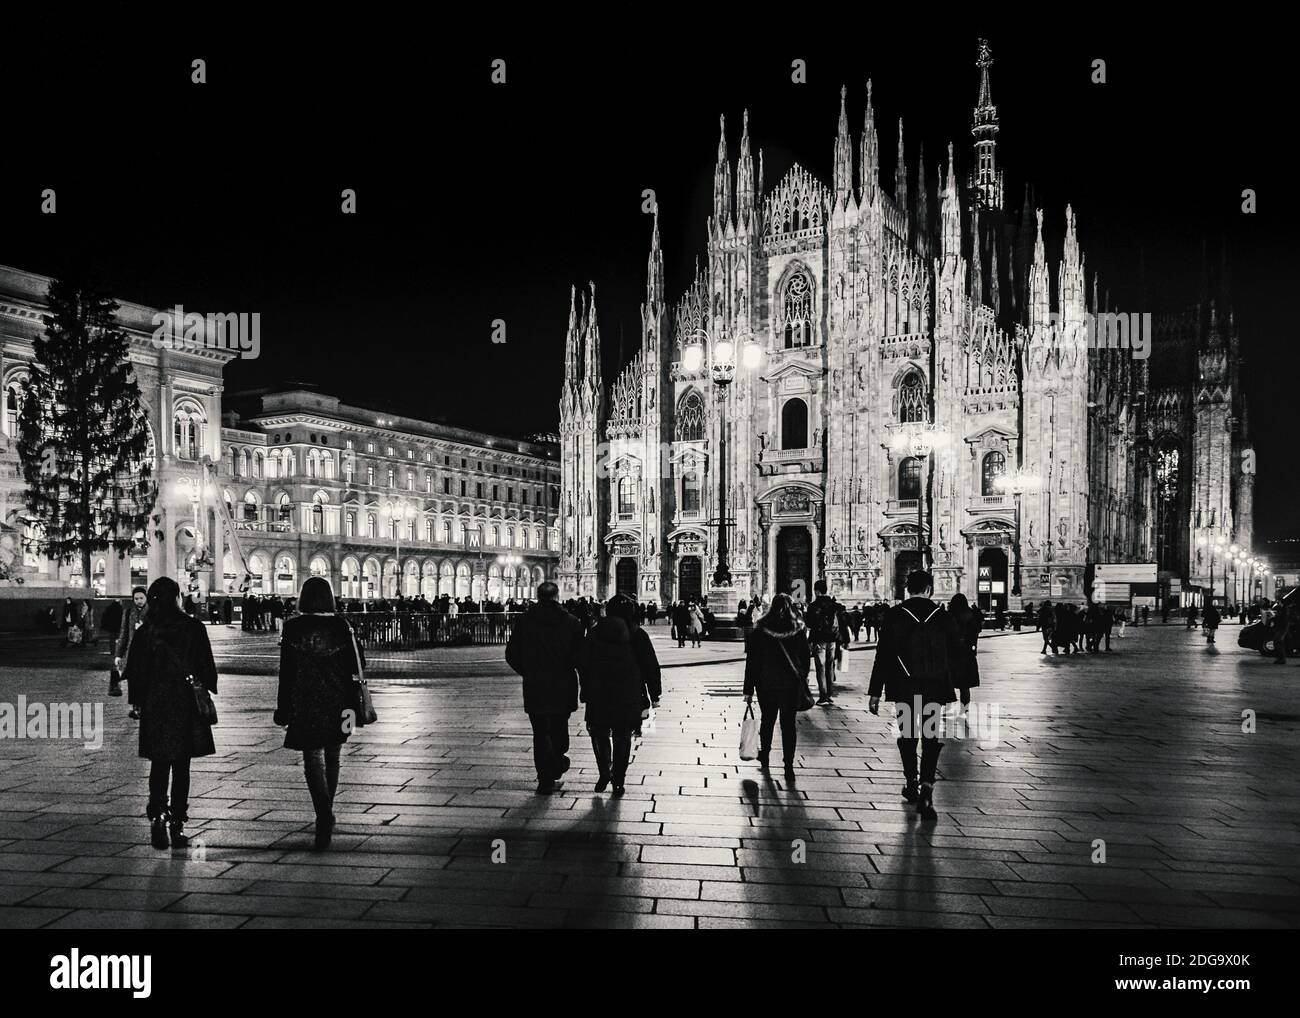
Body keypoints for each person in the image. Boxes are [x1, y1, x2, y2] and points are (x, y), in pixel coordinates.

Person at [121, 577, 218, 850]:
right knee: (182, 766)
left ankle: (158, 814)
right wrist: (205, 685)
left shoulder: (146, 631)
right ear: (176, 597)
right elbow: (207, 669)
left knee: (159, 763)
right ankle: (177, 825)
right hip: (185, 704)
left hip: (156, 704)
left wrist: (138, 702)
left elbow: (135, 672)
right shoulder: (193, 628)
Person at [274, 576, 364, 850]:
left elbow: (286, 673)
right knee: (333, 756)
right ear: (329, 598)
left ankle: (323, 814)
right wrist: (354, 709)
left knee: (312, 759)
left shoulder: (292, 628)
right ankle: (327, 813)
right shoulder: (342, 626)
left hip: (305, 701)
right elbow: (356, 668)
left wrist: (283, 708)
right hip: (340, 701)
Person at [869, 570, 960, 821]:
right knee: (930, 737)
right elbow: (956, 651)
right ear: (929, 589)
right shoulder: (941, 616)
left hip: (904, 687)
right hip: (934, 688)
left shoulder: (895, 615)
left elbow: (883, 655)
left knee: (908, 736)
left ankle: (912, 782)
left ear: (907, 589)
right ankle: (928, 788)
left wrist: (875, 691)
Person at [505, 582, 584, 795]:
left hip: (535, 686)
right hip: (562, 685)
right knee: (559, 729)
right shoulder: (572, 622)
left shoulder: (525, 621)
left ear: (538, 597)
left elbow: (511, 654)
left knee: (540, 733)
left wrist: (528, 671)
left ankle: (545, 779)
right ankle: (557, 762)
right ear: (558, 596)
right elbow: (580, 657)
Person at [578, 595, 646, 796]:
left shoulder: (594, 632)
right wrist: (654, 692)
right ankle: (619, 779)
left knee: (599, 733)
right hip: (627, 694)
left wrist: (586, 686)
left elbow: (582, 662)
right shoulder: (637, 633)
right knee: (623, 736)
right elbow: (649, 664)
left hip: (598, 693)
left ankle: (604, 771)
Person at [743, 594, 811, 773]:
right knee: (788, 724)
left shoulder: (761, 629)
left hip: (766, 684)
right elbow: (805, 658)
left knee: (768, 721)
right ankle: (788, 764)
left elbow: (752, 662)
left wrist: (748, 690)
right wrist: (801, 676)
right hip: (790, 685)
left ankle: (764, 756)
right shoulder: (798, 629)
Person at [805, 580, 845, 706]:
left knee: (821, 667)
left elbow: (809, 624)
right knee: (830, 666)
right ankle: (829, 695)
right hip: (832, 639)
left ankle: (823, 696)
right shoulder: (833, 604)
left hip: (819, 639)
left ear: (816, 590)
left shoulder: (813, 605)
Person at [114, 586, 149, 697]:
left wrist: (144, 628)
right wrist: (118, 654)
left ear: (146, 598)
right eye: (136, 598)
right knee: (133, 681)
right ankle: (135, 707)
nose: (139, 601)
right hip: (132, 652)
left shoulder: (153, 612)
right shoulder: (128, 612)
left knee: (147, 680)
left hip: (148, 653)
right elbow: (123, 634)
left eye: (141, 598)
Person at [948, 592, 981, 709]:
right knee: (964, 686)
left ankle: (948, 708)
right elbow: (976, 633)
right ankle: (964, 709)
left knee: (949, 684)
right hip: (967, 656)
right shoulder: (970, 616)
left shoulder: (949, 616)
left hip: (951, 655)